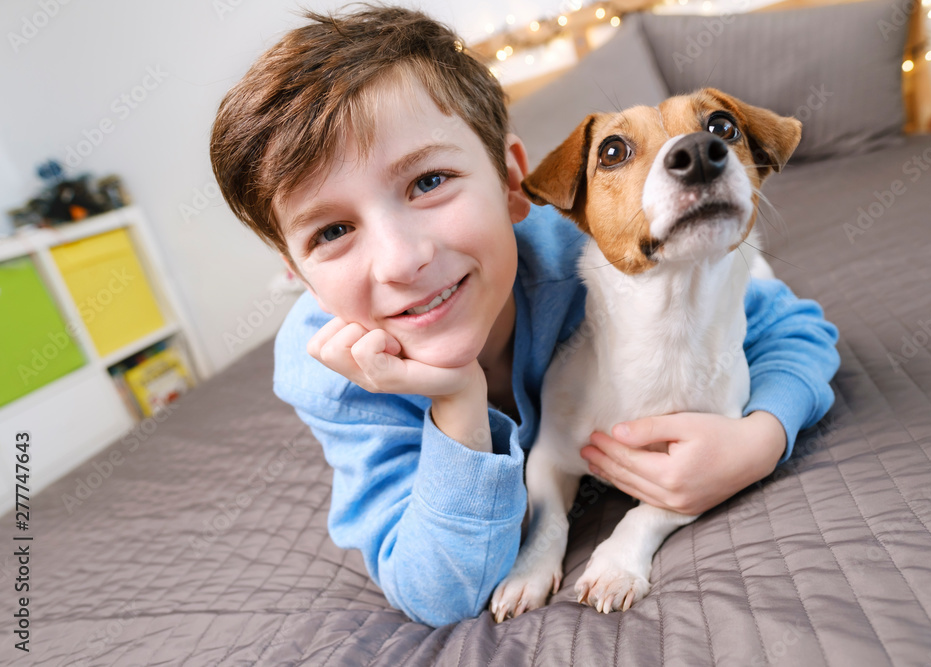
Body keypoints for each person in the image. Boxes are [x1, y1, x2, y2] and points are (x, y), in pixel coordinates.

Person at [209, 6, 839, 627]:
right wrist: (456, 401)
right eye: (333, 230)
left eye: (428, 182)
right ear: (297, 276)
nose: (403, 261)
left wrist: (763, 440)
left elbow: (791, 328)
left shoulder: (584, 248)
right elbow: (438, 592)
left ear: (515, 184)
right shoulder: (330, 380)